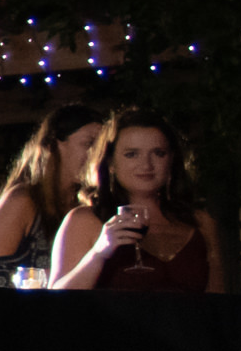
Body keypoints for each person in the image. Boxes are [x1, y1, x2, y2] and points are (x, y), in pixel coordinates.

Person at [49, 111, 225, 292]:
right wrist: (98, 254)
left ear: (172, 159)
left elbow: (219, 304)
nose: (146, 165)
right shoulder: (84, 220)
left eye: (158, 153)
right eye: (132, 154)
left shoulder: (201, 223)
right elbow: (56, 301)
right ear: (110, 162)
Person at [0, 100, 102, 285]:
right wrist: (55, 275)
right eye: (89, 144)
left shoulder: (88, 205)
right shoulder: (23, 200)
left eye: (102, 148)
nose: (97, 155)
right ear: (53, 145)